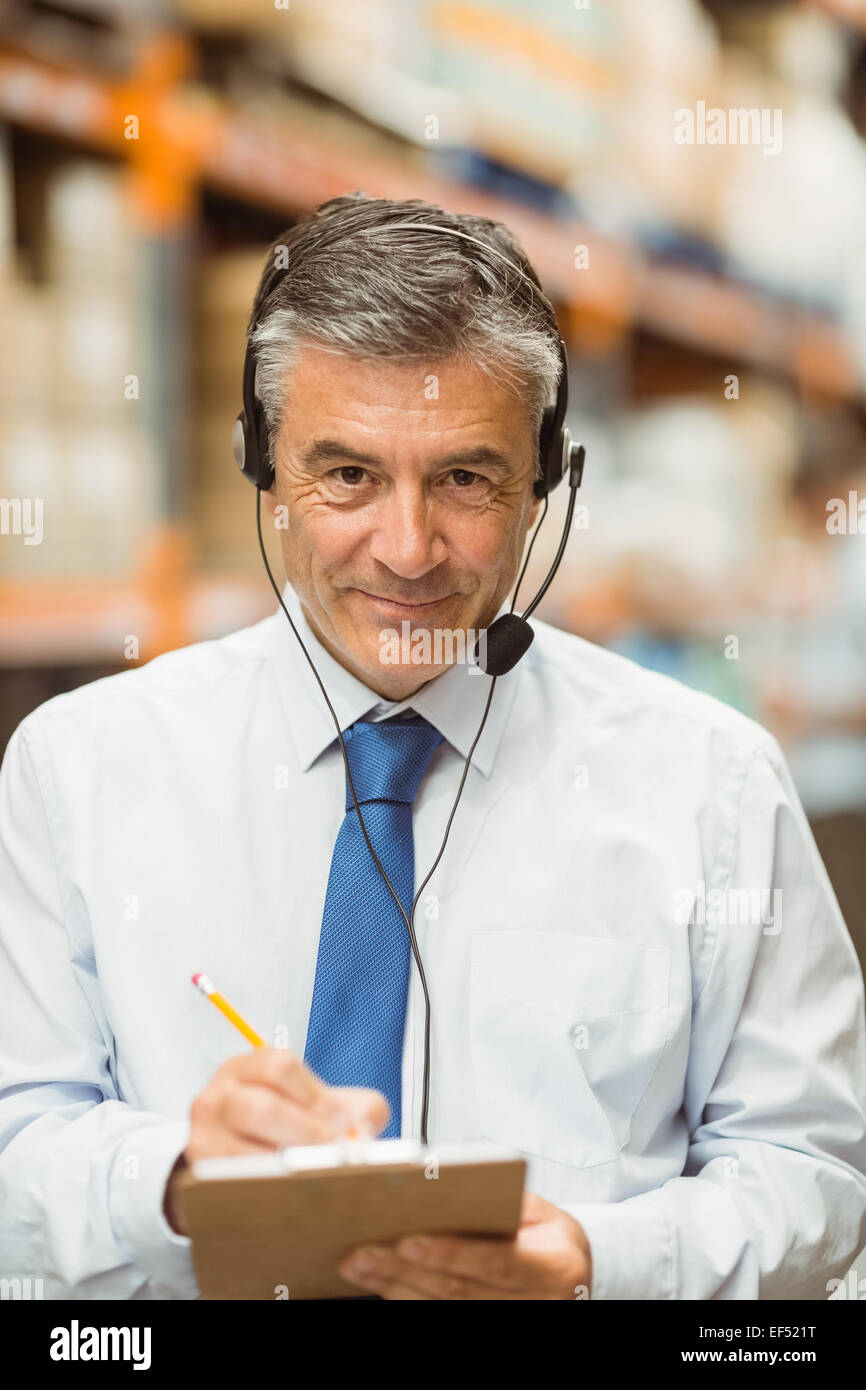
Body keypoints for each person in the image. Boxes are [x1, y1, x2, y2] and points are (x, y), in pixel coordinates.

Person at [0, 193, 864, 1301]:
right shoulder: (79, 768)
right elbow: (18, 1141)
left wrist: (597, 1265)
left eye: (463, 477)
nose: (406, 550)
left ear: (546, 476)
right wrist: (168, 1178)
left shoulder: (712, 786)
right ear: (262, 467)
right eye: (348, 474)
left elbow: (810, 1173)